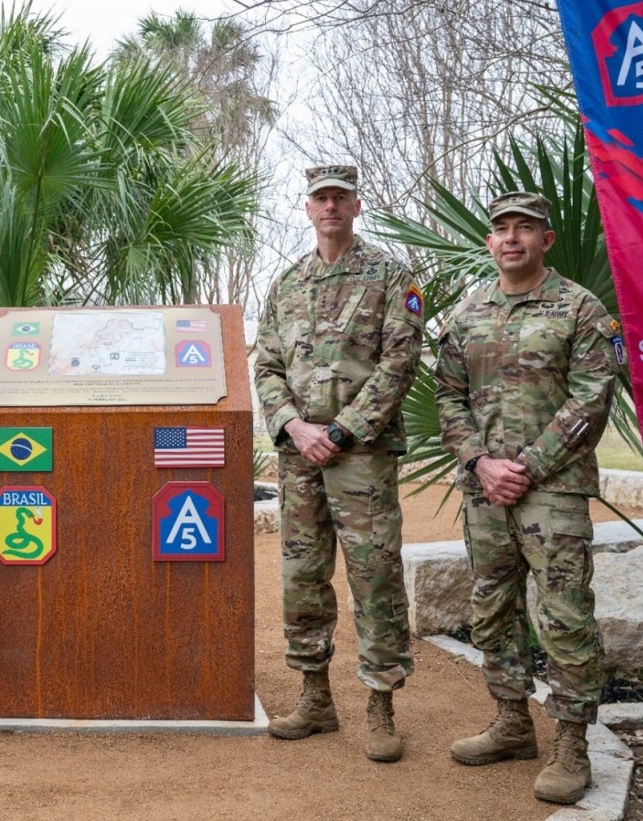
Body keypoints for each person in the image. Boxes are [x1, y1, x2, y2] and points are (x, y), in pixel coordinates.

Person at [436, 191, 619, 805]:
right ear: (489, 242)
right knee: (493, 607)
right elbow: (448, 400)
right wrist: (481, 464)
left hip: (554, 490)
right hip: (484, 491)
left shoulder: (580, 309)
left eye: (525, 228)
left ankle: (572, 746)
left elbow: (592, 397)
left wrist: (528, 466)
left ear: (546, 239)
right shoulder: (467, 314)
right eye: (501, 229)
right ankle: (512, 723)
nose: (511, 238)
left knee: (565, 615)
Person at [254, 164, 423, 762]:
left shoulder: (390, 276)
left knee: (373, 577)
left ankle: (380, 703)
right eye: (320, 198)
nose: (329, 207)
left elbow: (400, 362)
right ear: (307, 208)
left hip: (362, 456)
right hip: (299, 455)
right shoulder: (286, 283)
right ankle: (315, 697)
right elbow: (266, 365)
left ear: (356, 205)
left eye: (339, 197)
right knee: (302, 578)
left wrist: (345, 429)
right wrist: (296, 427)